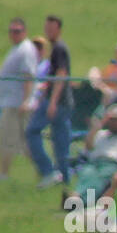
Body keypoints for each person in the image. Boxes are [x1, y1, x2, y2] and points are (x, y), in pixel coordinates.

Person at [27, 15, 73, 189]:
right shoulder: (56, 49)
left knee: (32, 131)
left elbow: (61, 75)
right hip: (63, 102)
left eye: (52, 29)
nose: (48, 32)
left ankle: (48, 172)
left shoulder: (59, 49)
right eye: (47, 28)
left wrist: (52, 101)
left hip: (58, 102)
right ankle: (65, 179)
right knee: (61, 142)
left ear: (59, 30)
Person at [0, 18, 38, 181]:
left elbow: (28, 76)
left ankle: (3, 174)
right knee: (26, 144)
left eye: (18, 31)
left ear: (25, 32)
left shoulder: (26, 49)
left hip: (18, 104)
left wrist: (26, 100)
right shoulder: (16, 49)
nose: (14, 34)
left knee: (7, 140)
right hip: (12, 102)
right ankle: (46, 170)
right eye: (11, 31)